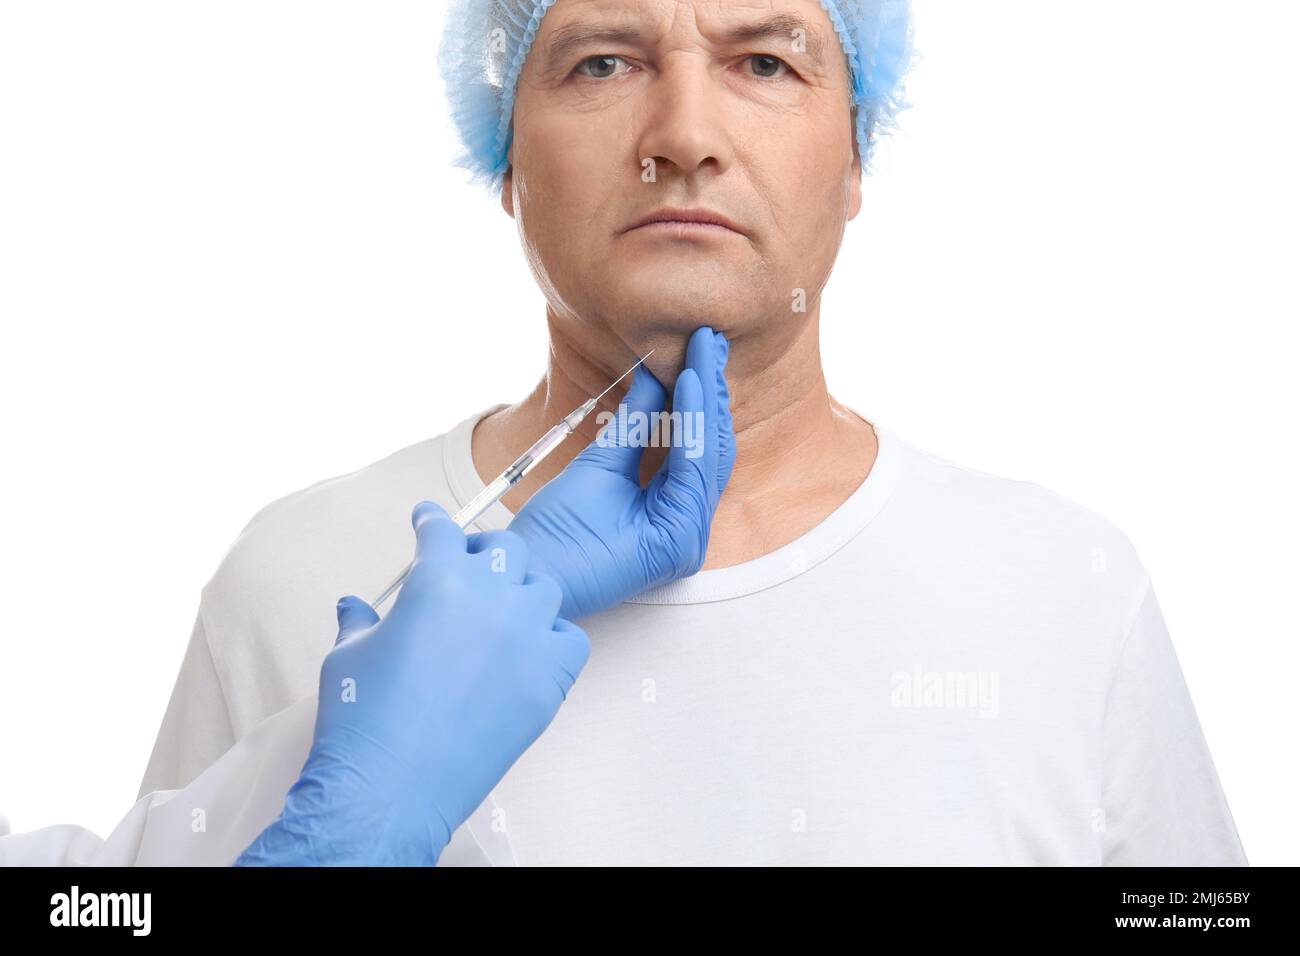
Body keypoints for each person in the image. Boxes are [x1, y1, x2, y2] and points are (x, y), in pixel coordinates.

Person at [139, 0, 1247, 865]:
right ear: (507, 162)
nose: (683, 135)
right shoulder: (302, 581)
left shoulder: (1064, 589)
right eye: (601, 61)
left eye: (765, 60)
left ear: (856, 156)